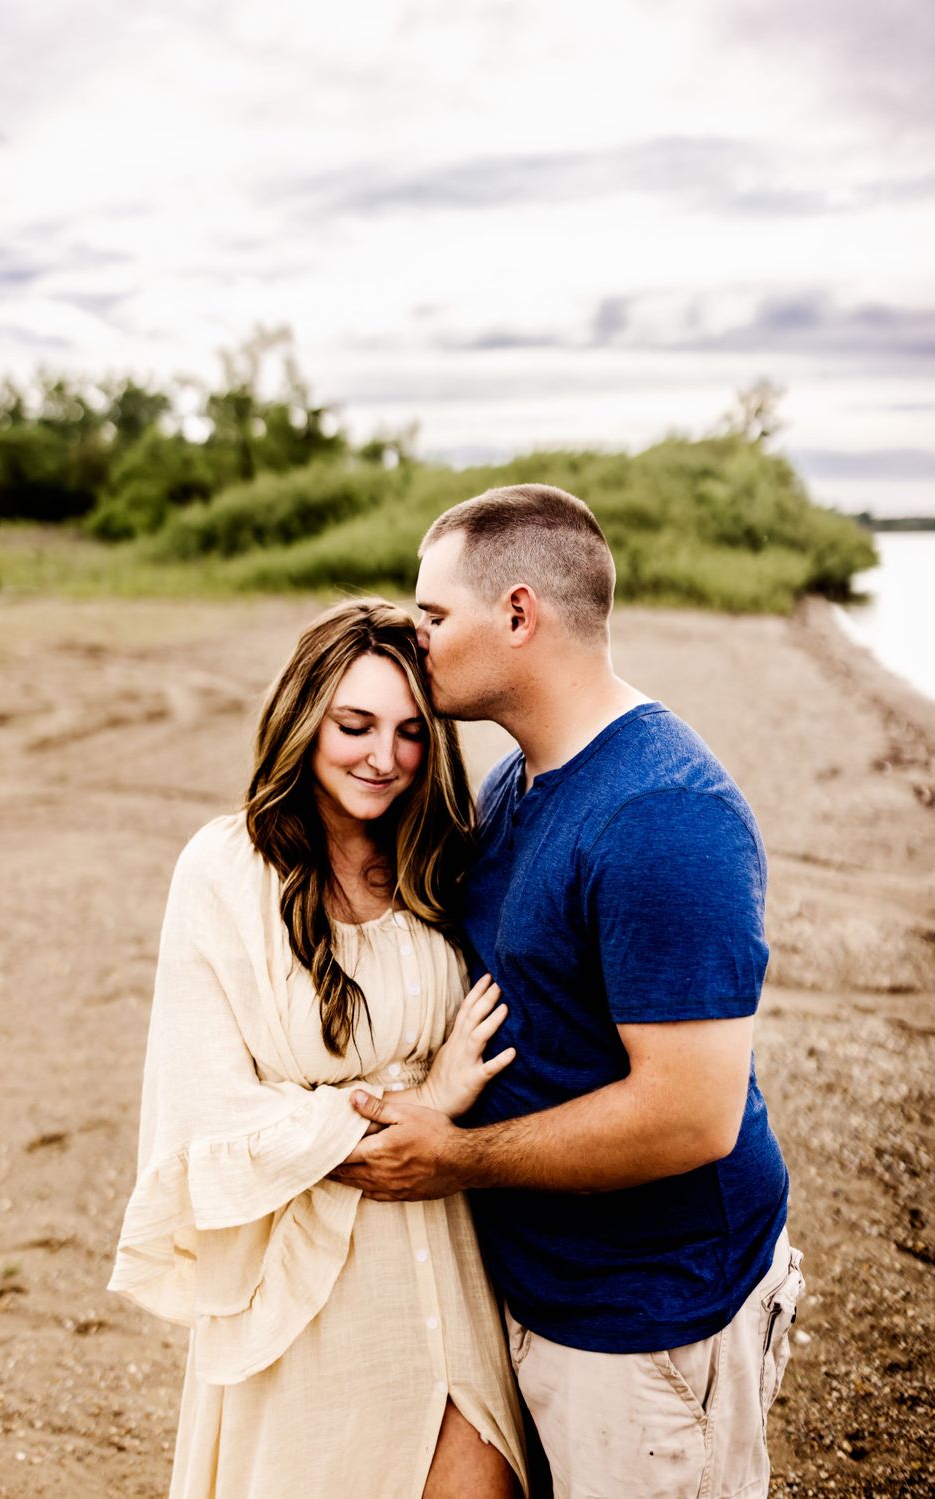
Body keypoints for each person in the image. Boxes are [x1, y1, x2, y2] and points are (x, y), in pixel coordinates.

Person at [334, 485, 806, 1499]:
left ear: (517, 614)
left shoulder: (663, 813)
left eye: (433, 615)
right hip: (545, 1290)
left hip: (646, 1320)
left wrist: (454, 1157)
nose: (416, 638)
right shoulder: (522, 777)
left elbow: (689, 1114)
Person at [108, 599, 528, 1498]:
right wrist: (422, 1106)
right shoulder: (225, 870)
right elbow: (205, 1108)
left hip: (450, 1262)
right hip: (305, 1289)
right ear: (304, 718)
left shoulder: (441, 861)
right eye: (355, 724)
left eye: (412, 732)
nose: (384, 757)